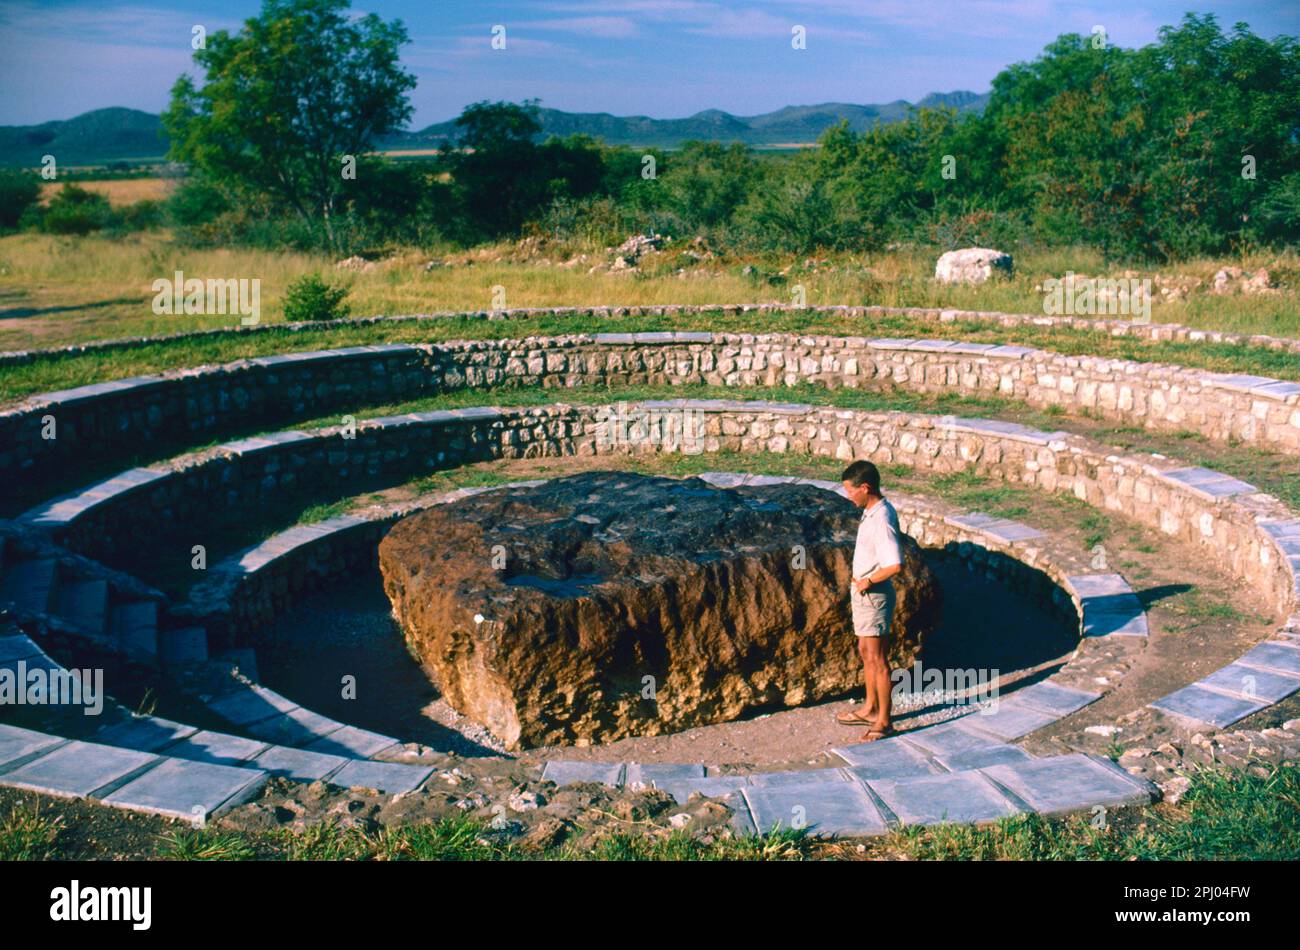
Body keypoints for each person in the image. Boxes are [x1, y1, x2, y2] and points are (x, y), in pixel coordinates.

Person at [836, 460, 903, 742]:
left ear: (865, 488)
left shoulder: (883, 518)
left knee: (878, 659)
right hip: (864, 595)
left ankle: (884, 721)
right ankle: (870, 707)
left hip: (873, 595)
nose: (848, 496)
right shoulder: (871, 512)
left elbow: (895, 564)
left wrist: (868, 581)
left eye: (851, 491)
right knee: (867, 652)